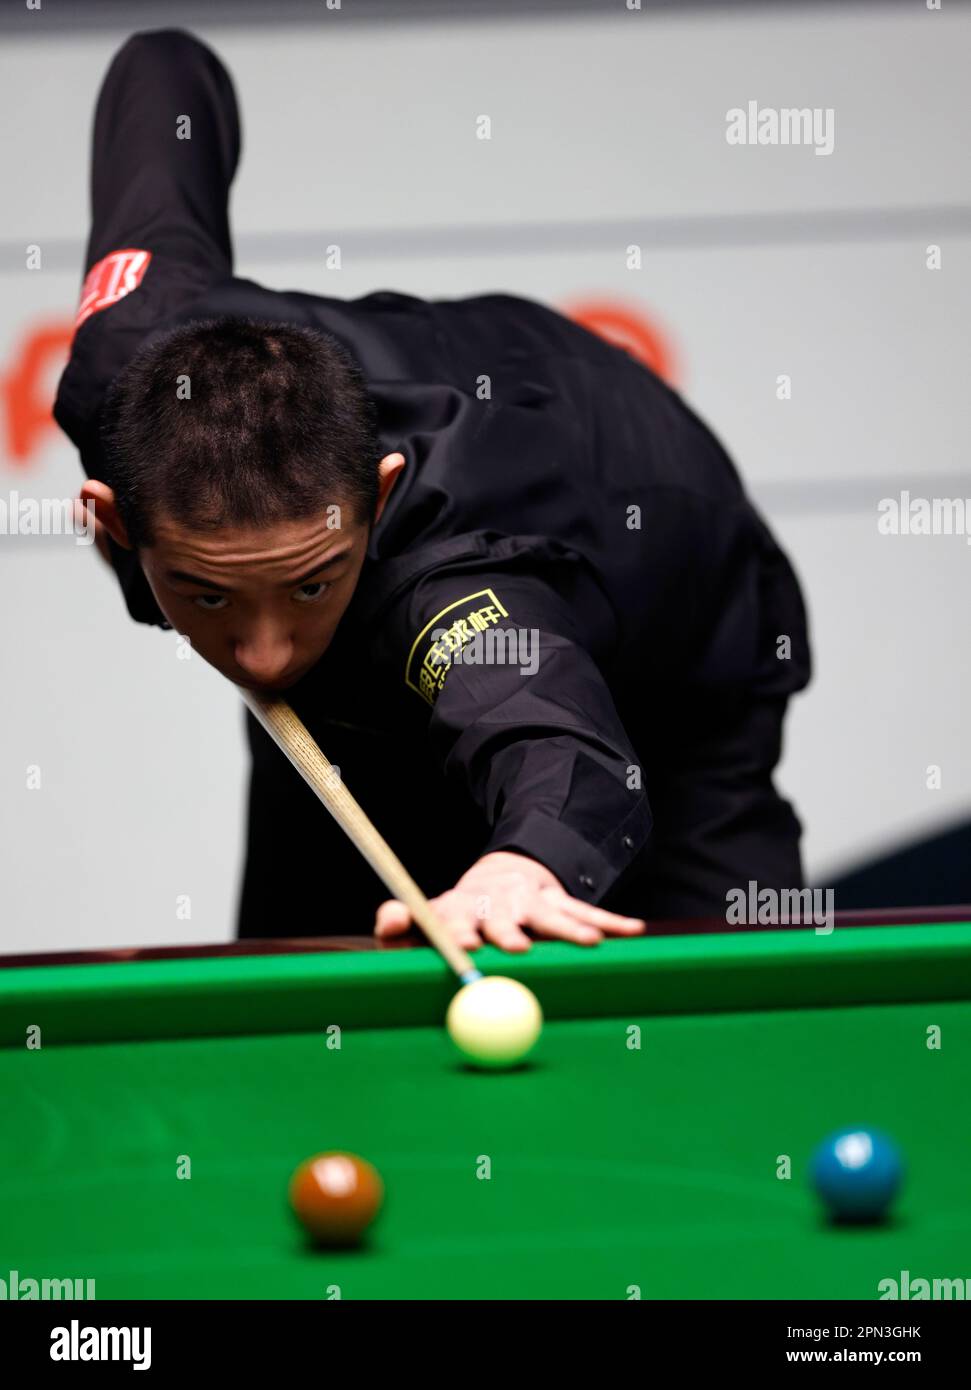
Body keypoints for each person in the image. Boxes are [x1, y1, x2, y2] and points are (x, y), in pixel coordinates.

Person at [55, 30, 811, 952]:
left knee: (699, 955)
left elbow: (556, 741)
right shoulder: (126, 355)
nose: (260, 656)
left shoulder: (441, 572)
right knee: (316, 953)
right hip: (438, 473)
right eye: (208, 593)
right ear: (111, 517)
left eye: (307, 585)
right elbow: (163, 68)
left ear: (380, 497)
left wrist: (522, 862)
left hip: (666, 590)